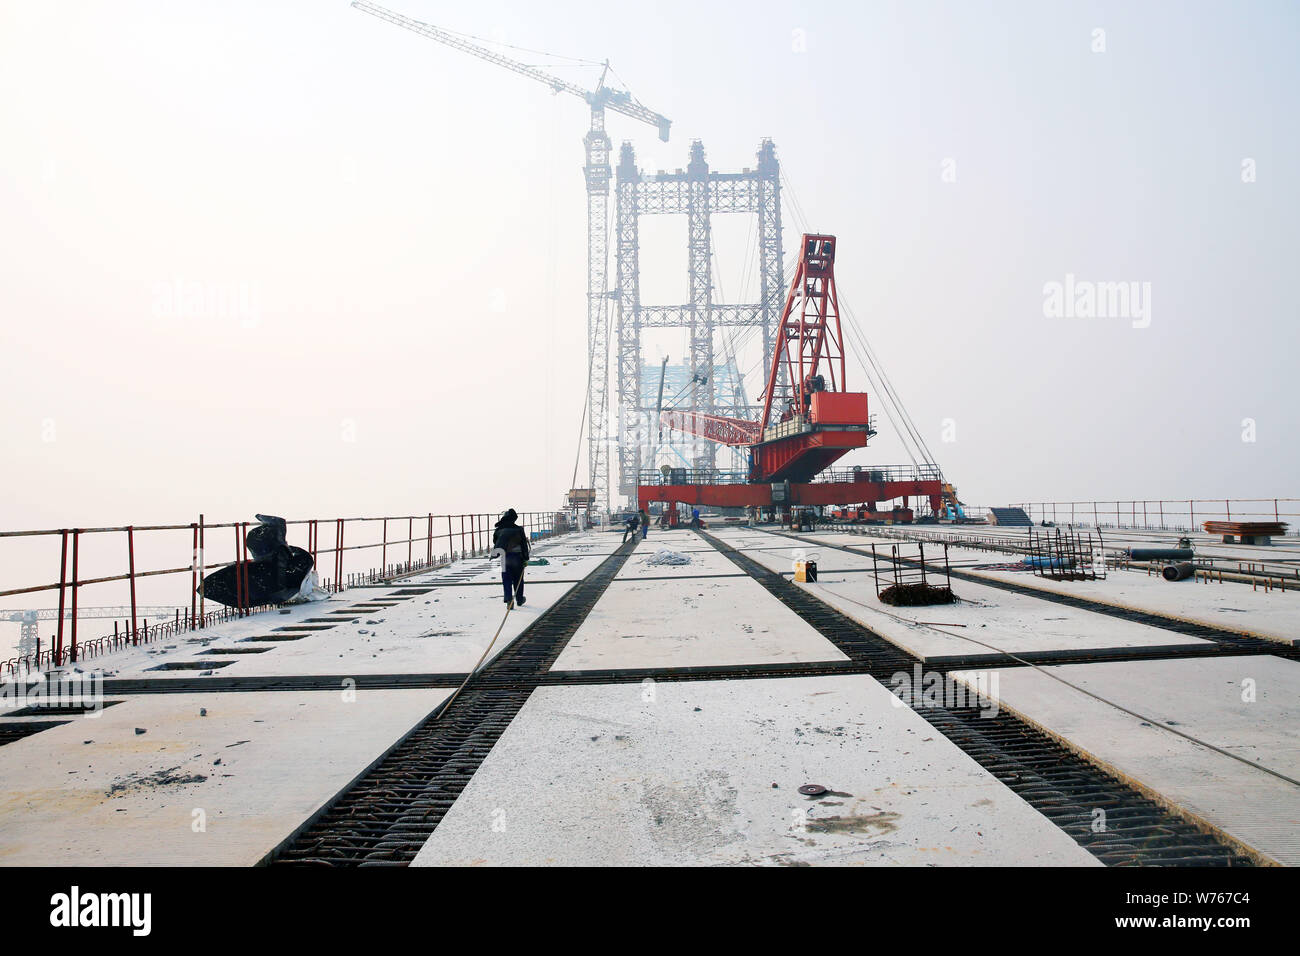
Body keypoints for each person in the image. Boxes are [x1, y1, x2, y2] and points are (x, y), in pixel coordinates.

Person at [492, 509, 529, 607]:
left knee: (506, 579)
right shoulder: (518, 529)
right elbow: (524, 545)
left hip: (505, 557)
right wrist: (526, 559)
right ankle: (519, 599)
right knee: (518, 579)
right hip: (517, 557)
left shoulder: (499, 530)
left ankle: (509, 600)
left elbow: (495, 542)